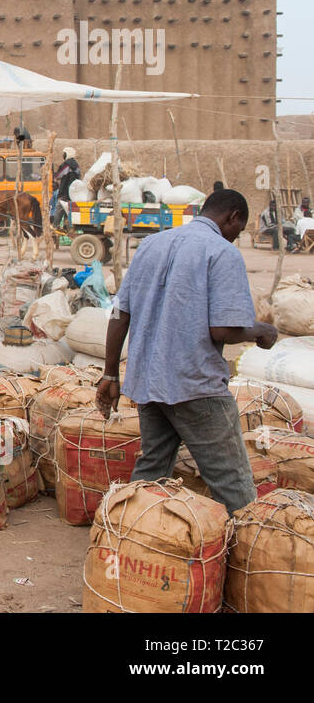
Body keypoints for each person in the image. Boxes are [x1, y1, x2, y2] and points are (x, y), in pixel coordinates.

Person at [98, 189, 277, 515]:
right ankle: (249, 558)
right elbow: (222, 329)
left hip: (149, 382)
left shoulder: (152, 244)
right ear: (233, 217)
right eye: (239, 229)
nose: (236, 237)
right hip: (196, 386)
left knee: (152, 472)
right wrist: (259, 332)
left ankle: (129, 538)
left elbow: (119, 314)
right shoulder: (222, 253)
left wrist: (110, 372)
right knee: (231, 482)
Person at [53, 147, 81, 219]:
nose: (63, 155)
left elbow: (58, 175)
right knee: (68, 210)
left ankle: (55, 225)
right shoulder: (76, 165)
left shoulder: (67, 164)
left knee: (59, 208)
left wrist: (53, 174)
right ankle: (65, 226)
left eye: (64, 154)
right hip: (73, 192)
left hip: (65, 191)